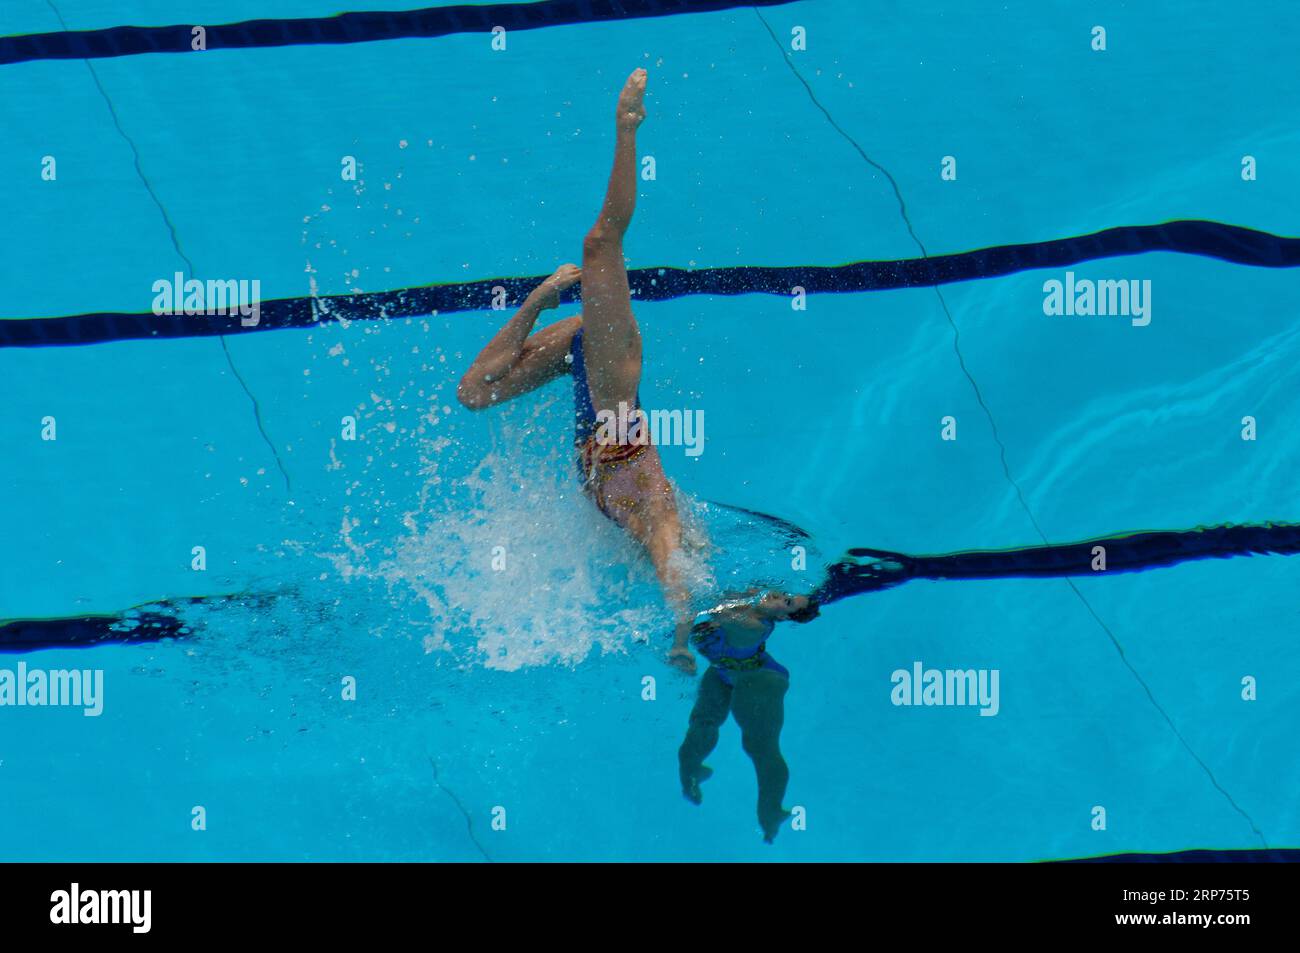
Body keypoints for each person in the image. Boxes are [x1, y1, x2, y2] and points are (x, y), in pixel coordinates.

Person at [457, 69, 701, 671]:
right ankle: (687, 624)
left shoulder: (609, 365)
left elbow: (605, 239)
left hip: (609, 458)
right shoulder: (581, 346)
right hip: (609, 454)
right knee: (665, 541)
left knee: (667, 543)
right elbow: (473, 392)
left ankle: (627, 128)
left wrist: (680, 636)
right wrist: (535, 302)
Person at [677, 589, 819, 842]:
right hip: (724, 670)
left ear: (785, 617)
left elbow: (703, 601)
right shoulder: (753, 597)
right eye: (784, 593)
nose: (777, 597)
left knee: (760, 748)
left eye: (786, 602)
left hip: (759, 679)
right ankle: (691, 774)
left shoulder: (751, 625)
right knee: (701, 724)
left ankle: (771, 812)